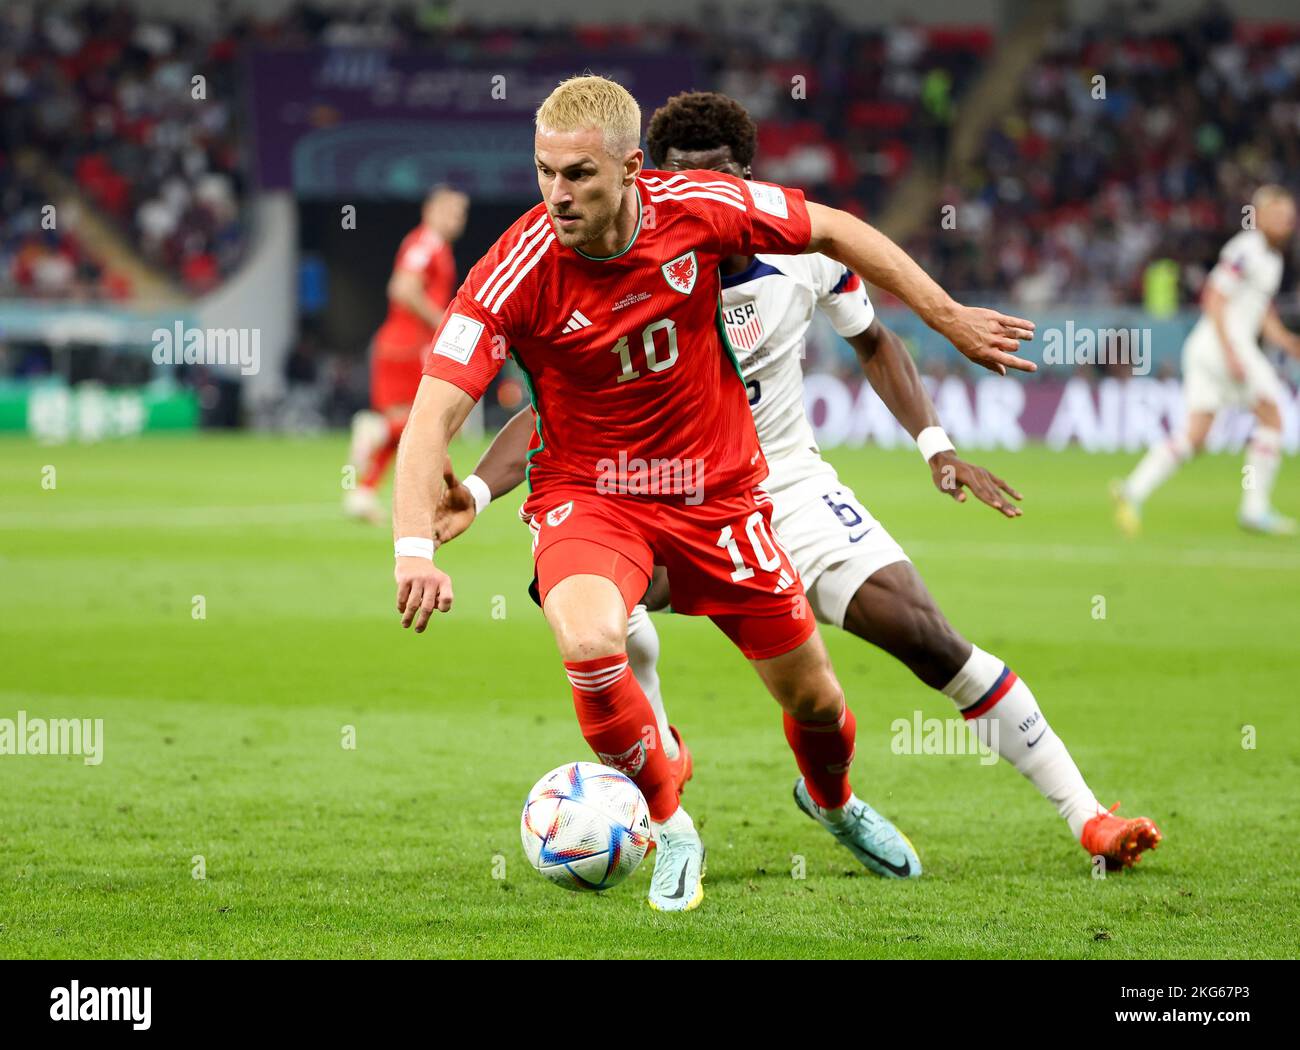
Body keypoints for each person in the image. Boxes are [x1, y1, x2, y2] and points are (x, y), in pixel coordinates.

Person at [437, 91, 1163, 878]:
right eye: (676, 180)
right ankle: (661, 774)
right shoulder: (630, 259)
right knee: (589, 609)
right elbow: (563, 415)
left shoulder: (803, 255)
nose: (694, 199)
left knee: (927, 638)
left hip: (789, 487)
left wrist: (935, 444)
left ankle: (1084, 814)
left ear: (745, 183)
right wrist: (475, 491)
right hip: (659, 492)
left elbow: (875, 341)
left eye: (716, 181)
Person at [1115, 185, 1300, 536]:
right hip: (1224, 345)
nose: (1286, 222)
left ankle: (1132, 490)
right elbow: (1214, 297)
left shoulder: (1272, 260)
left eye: (1289, 216)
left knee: (1196, 435)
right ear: (1258, 217)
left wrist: (1285, 340)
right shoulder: (1247, 248)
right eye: (1278, 214)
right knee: (1272, 415)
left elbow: (1260, 310)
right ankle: (1255, 509)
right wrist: (1231, 350)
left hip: (1207, 346)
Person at [345, 185, 469, 523]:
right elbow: (402, 287)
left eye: (461, 214)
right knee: (432, 423)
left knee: (413, 422)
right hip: (410, 345)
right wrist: (441, 321)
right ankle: (378, 430)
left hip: (398, 343)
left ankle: (364, 492)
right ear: (432, 210)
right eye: (452, 211)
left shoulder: (431, 246)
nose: (458, 220)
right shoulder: (426, 244)